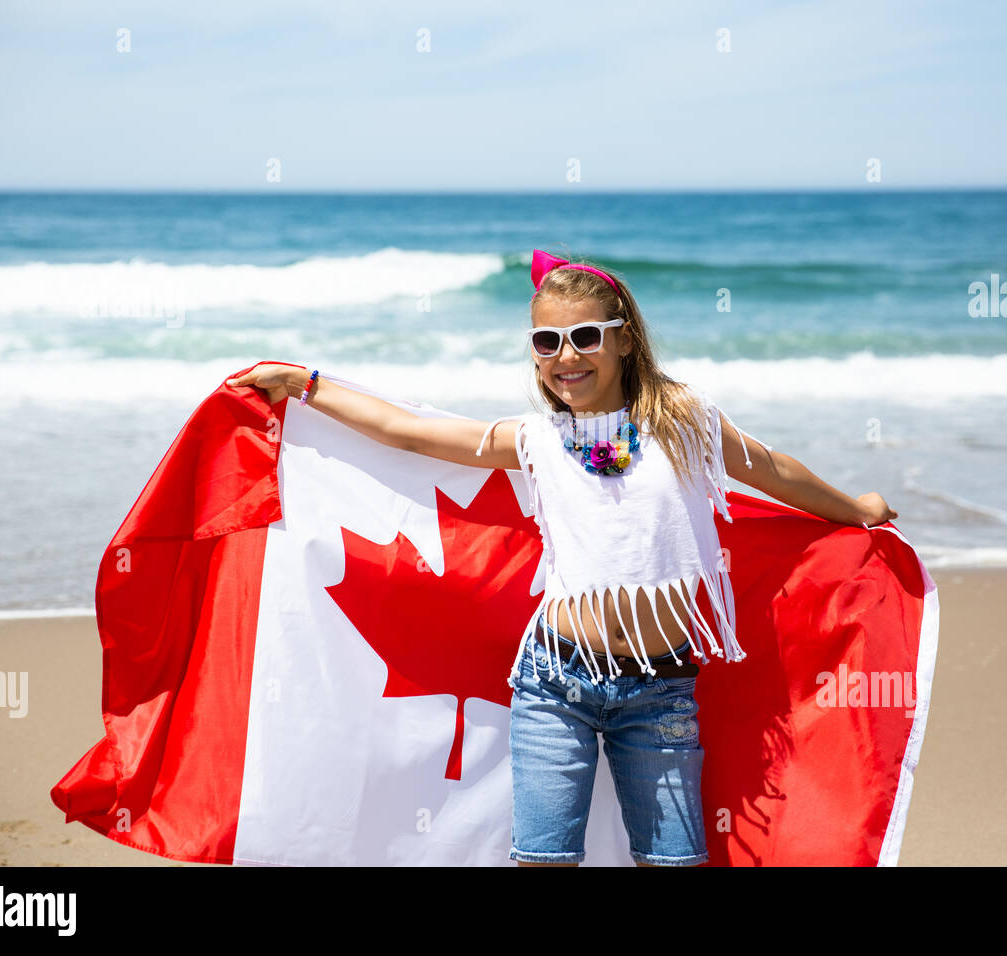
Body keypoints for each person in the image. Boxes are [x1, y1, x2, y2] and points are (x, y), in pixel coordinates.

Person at [227, 248, 897, 867]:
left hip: (660, 689)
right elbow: (410, 432)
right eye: (547, 342)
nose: (566, 356)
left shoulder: (686, 422)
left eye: (585, 337)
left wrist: (855, 509)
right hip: (555, 683)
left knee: (674, 860)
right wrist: (305, 384)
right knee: (545, 860)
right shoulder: (538, 441)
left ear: (623, 339)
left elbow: (774, 470)